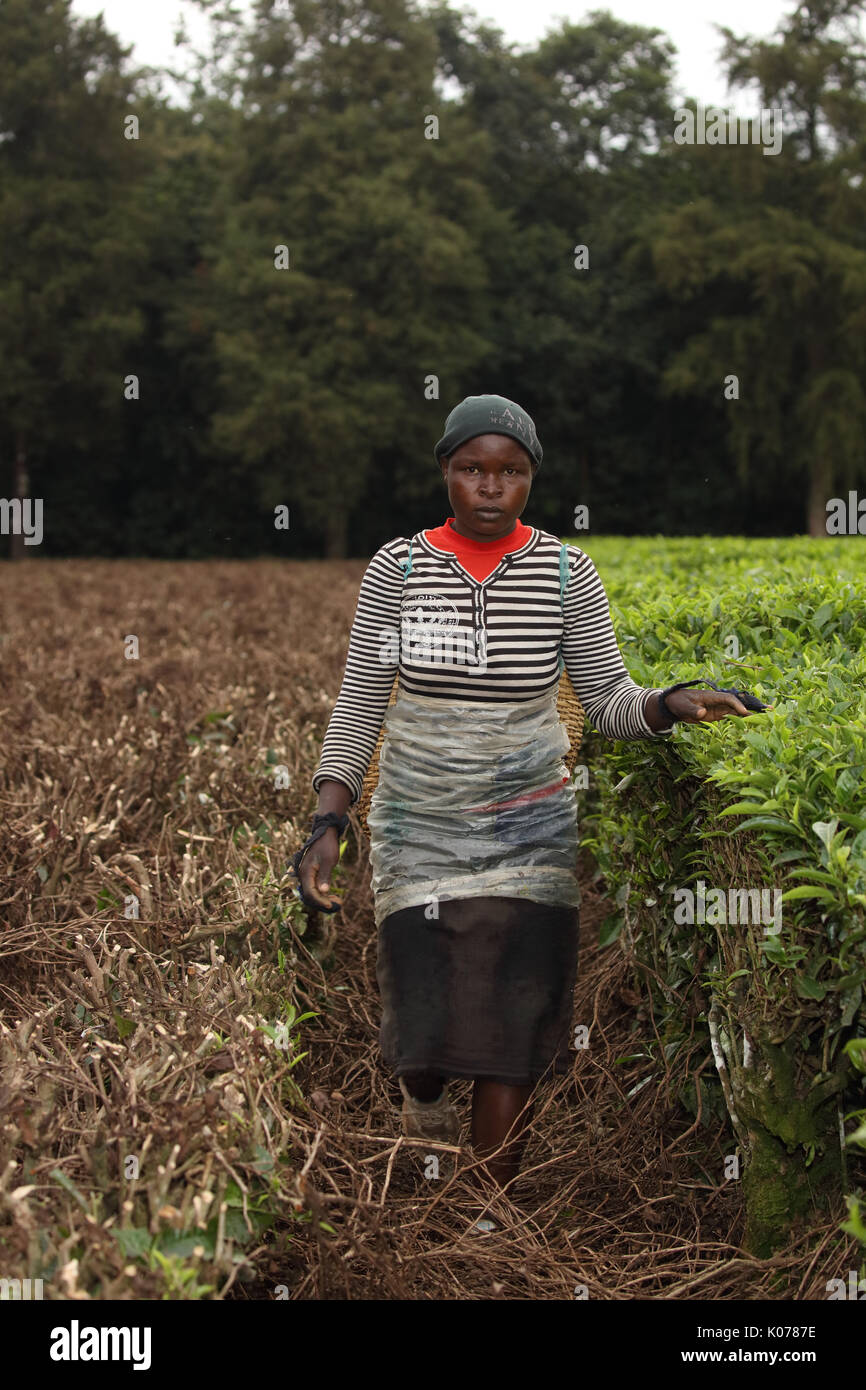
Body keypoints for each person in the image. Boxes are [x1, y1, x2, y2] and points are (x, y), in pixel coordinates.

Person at [298, 393, 754, 1214]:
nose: (489, 487)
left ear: (531, 480)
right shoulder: (397, 570)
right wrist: (328, 820)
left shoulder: (563, 572)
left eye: (509, 471)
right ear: (446, 471)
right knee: (425, 1018)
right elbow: (361, 702)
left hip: (530, 820)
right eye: (472, 468)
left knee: (515, 1015)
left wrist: (672, 703)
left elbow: (608, 697)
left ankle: (484, 1218)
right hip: (420, 817)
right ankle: (425, 1096)